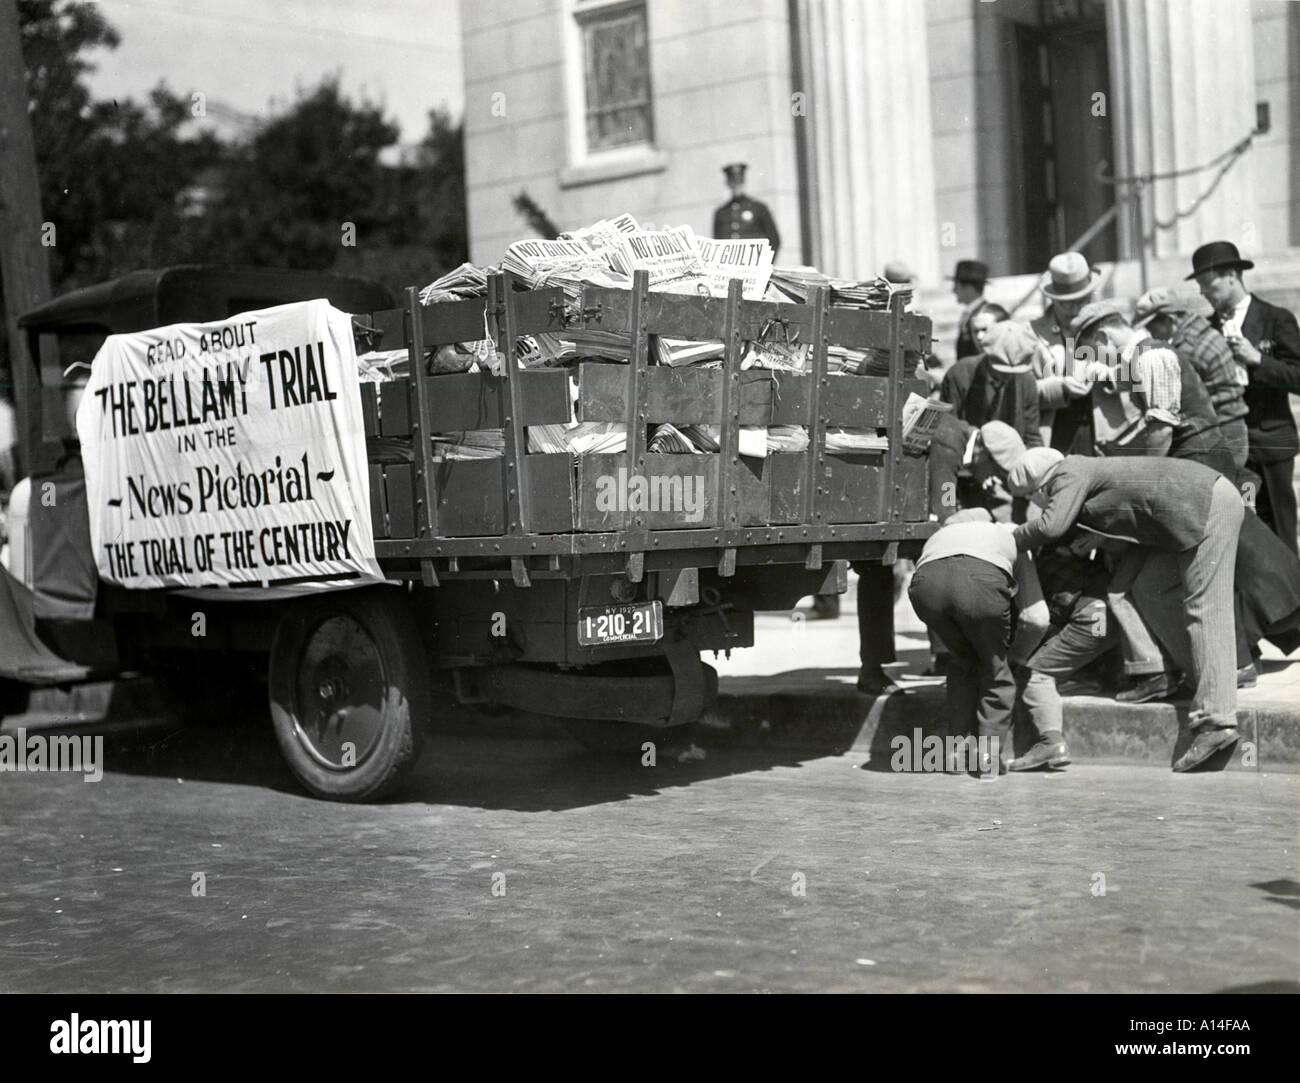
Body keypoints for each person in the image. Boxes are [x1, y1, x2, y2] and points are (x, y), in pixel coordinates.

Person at [1008, 449, 1243, 772]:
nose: (1035, 505)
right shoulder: (1083, 473)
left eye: (1030, 499)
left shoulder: (1069, 472)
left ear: (1038, 489)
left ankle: (1216, 723)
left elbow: (1050, 527)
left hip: (1207, 506)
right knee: (1142, 588)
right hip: (1191, 508)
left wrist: (1006, 539)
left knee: (1205, 609)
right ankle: (1183, 675)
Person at [907, 514, 1048, 777]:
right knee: (996, 670)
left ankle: (954, 754)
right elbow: (1037, 618)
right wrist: (1015, 656)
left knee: (962, 661)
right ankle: (987, 757)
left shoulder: (940, 536)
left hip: (926, 588)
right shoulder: (1009, 534)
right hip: (980, 583)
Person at [1189, 240, 1300, 554]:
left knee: (1280, 530)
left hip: (1270, 444)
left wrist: (1258, 360)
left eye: (1207, 283)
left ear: (1231, 276)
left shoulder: (1275, 318)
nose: (1202, 293)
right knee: (1245, 535)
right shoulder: (1206, 329)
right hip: (1231, 449)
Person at [1133, 287, 1250, 471]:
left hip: (1221, 436)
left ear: (1168, 319)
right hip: (1234, 430)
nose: (1150, 332)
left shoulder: (1187, 350)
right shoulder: (1200, 330)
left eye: (1151, 326)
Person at [1030, 252, 1102, 453]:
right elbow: (1022, 391)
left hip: (1102, 434)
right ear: (1053, 300)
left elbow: (1131, 377)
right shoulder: (1032, 334)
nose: (1074, 310)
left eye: (1082, 301)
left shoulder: (1107, 328)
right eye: (1066, 303)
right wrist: (1059, 388)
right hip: (1056, 434)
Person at [712, 163, 780, 259]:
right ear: (728, 183)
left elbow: (774, 239)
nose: (736, 185)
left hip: (753, 263)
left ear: (744, 182)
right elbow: (717, 244)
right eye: (733, 182)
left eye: (739, 181)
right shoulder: (721, 212)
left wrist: (765, 264)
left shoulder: (758, 208)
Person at [949, 260, 991, 360]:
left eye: (956, 285)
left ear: (968, 288)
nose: (953, 290)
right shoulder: (972, 313)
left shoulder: (984, 315)